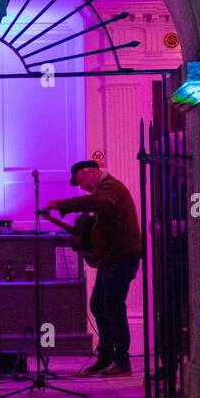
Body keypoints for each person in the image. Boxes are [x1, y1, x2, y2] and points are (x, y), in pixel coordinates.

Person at [43, 160, 142, 376]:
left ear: (94, 172)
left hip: (121, 258)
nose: (82, 187)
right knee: (99, 305)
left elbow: (97, 201)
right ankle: (106, 356)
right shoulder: (106, 192)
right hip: (111, 259)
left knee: (113, 307)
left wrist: (62, 204)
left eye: (82, 181)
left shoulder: (111, 189)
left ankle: (122, 361)